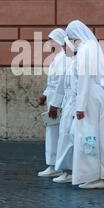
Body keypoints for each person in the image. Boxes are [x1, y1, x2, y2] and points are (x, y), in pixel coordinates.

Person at [65, 20, 104, 189]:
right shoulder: (92, 47)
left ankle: (93, 177)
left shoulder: (84, 50)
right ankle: (100, 170)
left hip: (88, 97)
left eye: (69, 36)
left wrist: (80, 106)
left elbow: (84, 79)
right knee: (96, 134)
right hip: (96, 96)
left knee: (87, 135)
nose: (68, 40)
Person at [37, 28, 67, 178]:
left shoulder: (62, 58)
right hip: (53, 100)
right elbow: (52, 83)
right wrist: (44, 94)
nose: (48, 42)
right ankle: (52, 164)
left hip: (58, 102)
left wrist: (55, 103)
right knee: (52, 133)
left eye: (51, 39)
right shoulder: (56, 57)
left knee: (57, 134)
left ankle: (58, 165)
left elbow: (61, 83)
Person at [50, 37, 78, 184]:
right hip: (68, 106)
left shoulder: (77, 63)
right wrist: (55, 104)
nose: (63, 48)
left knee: (70, 139)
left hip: (74, 107)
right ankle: (66, 170)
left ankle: (72, 171)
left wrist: (78, 109)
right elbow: (61, 86)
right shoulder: (70, 63)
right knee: (64, 138)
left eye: (65, 45)